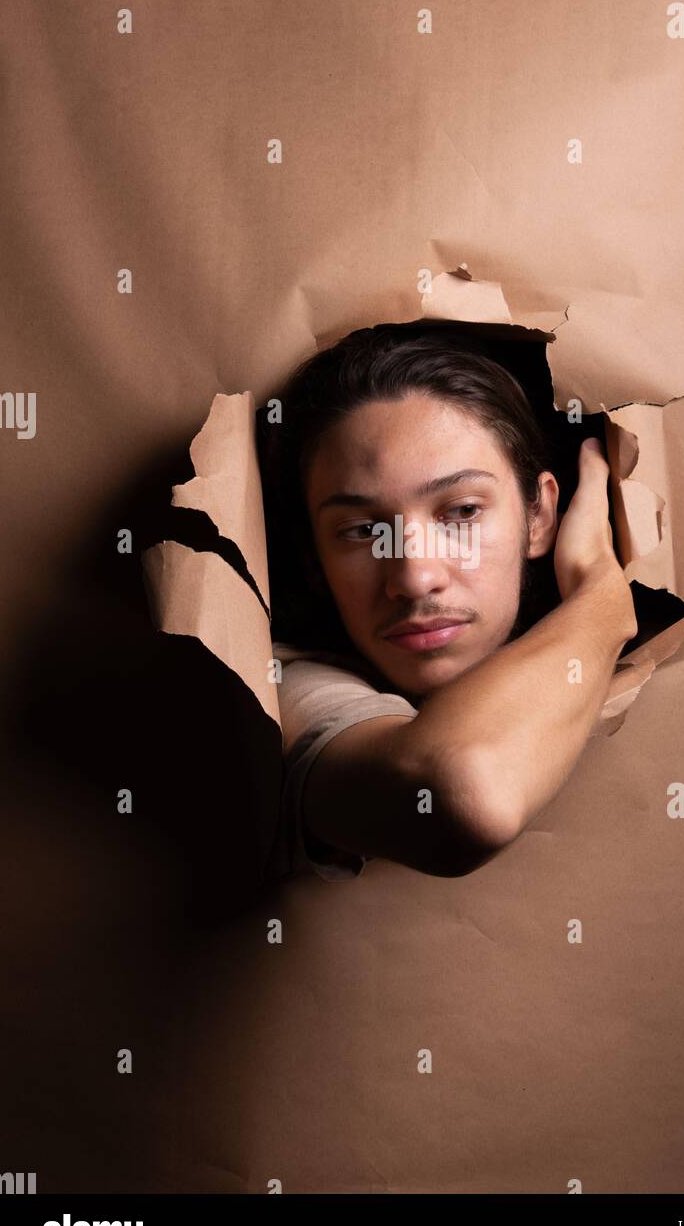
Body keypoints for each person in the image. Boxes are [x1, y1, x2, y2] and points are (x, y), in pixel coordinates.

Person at [258, 325, 637, 882]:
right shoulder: (289, 690)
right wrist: (603, 597)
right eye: (363, 530)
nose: (413, 577)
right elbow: (466, 791)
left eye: (460, 512)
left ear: (540, 517)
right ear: (315, 560)